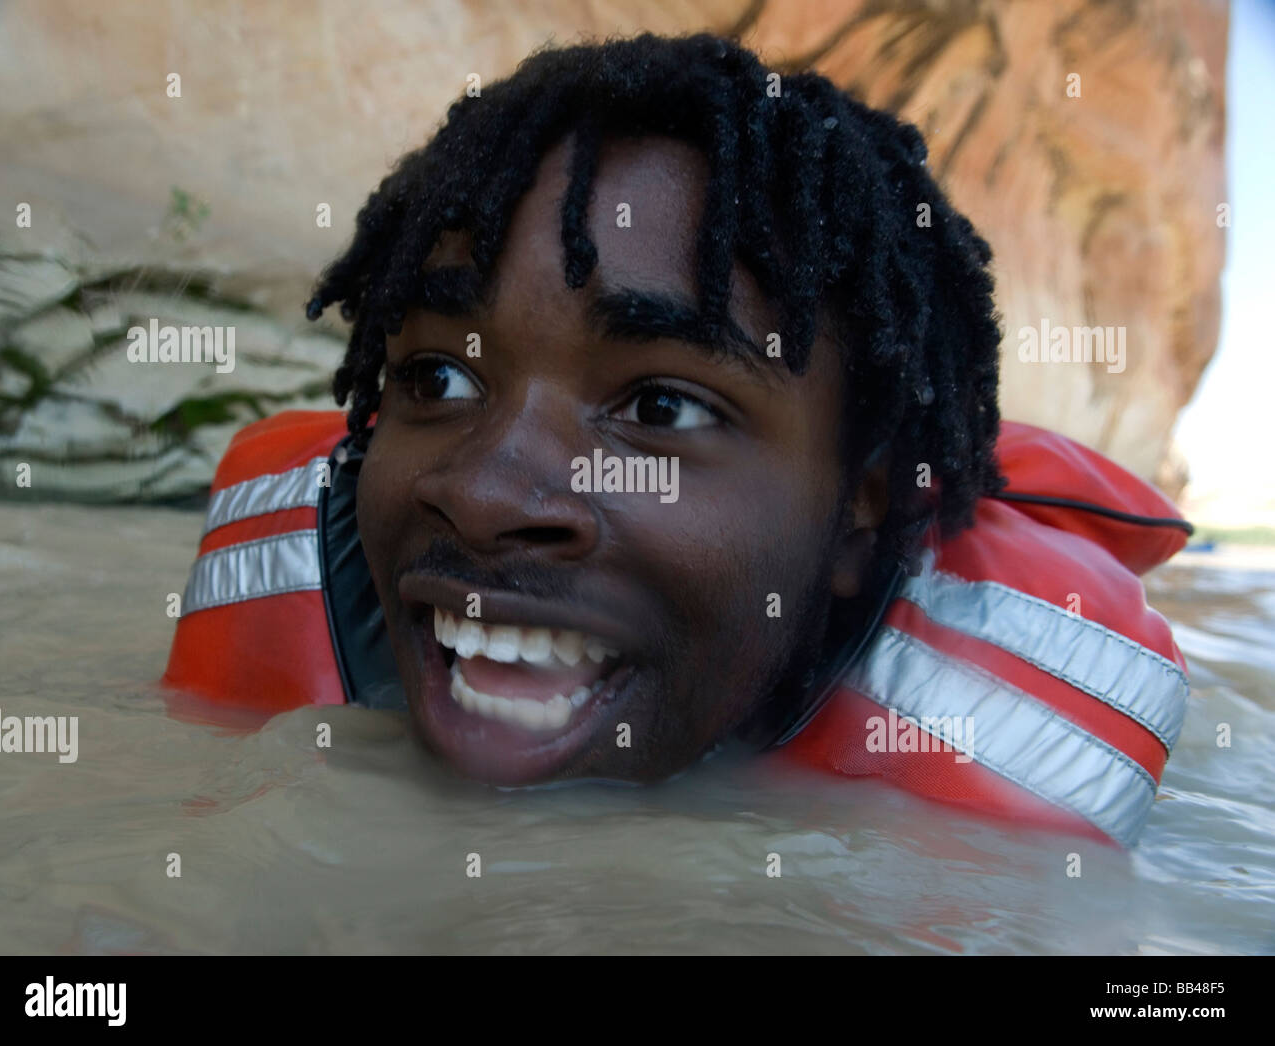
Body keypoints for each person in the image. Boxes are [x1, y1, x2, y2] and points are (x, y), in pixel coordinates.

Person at [165, 33, 1192, 846]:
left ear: (861, 498)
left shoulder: (992, 828)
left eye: (659, 408)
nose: (483, 493)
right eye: (439, 378)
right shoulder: (255, 705)